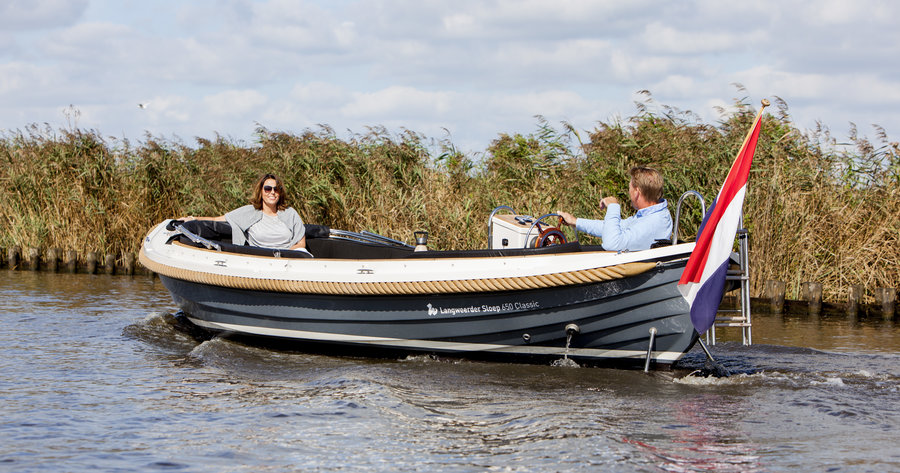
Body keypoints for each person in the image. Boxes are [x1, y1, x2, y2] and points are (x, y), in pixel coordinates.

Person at [182, 173, 308, 251]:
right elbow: (217, 219)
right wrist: (194, 219)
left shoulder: (290, 213)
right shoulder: (249, 212)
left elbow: (301, 244)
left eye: (276, 189)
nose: (272, 192)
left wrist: (285, 255)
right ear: (261, 191)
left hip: (289, 258)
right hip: (260, 259)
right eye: (268, 189)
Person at [557, 166, 672, 251]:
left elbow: (612, 243)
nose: (629, 192)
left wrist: (613, 207)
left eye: (630, 189)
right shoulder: (652, 214)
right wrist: (575, 222)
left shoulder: (655, 221)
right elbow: (612, 229)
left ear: (637, 192)